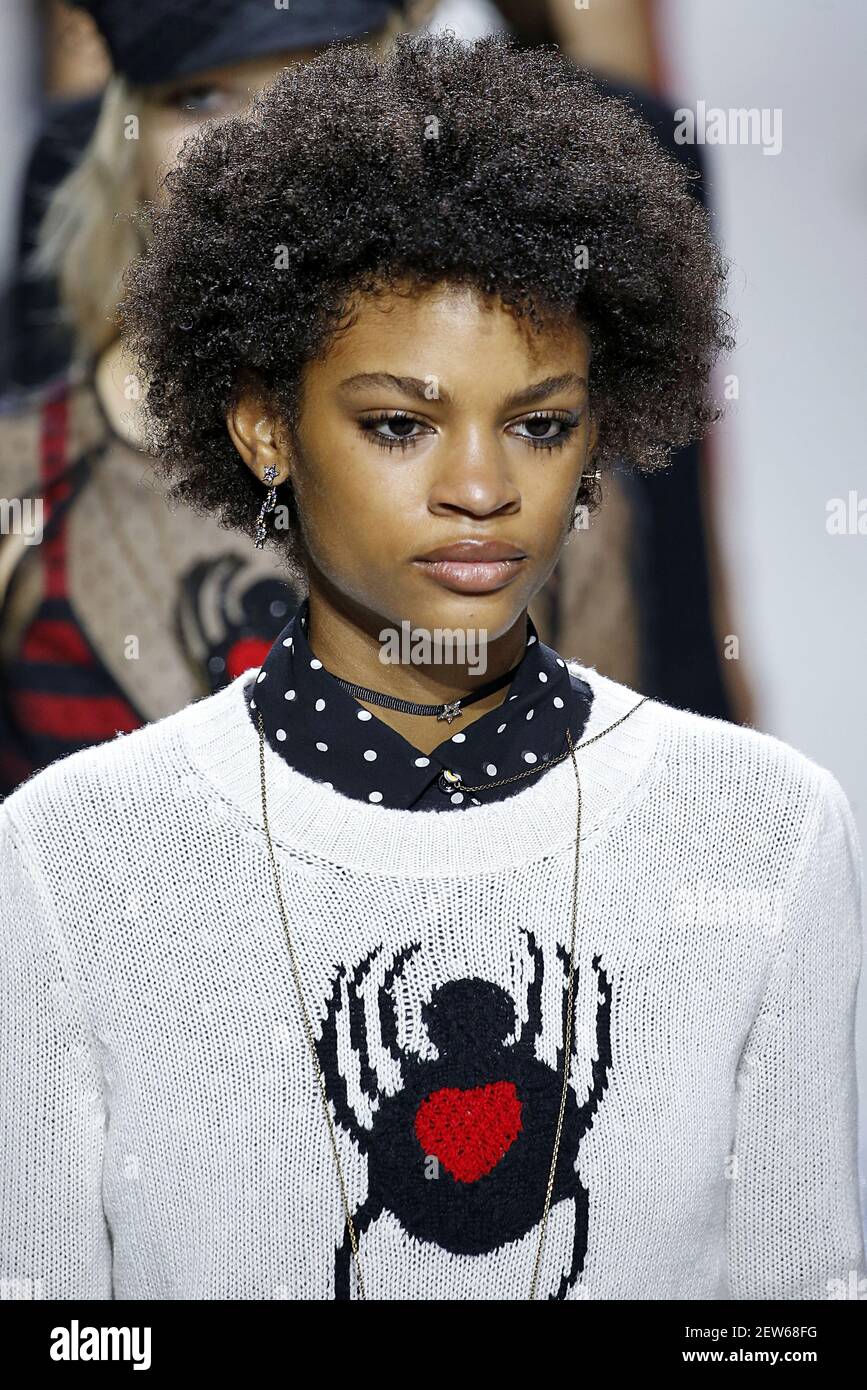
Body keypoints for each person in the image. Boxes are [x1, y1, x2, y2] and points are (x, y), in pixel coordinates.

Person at [0, 31, 862, 1301]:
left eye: (541, 424)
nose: (479, 490)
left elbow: (794, 1322)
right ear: (262, 427)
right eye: (398, 423)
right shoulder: (70, 861)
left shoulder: (762, 833)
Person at [0, 0, 421, 795]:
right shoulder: (21, 479)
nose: (252, 149)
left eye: (313, 89)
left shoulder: (510, 465)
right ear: (121, 142)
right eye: (198, 97)